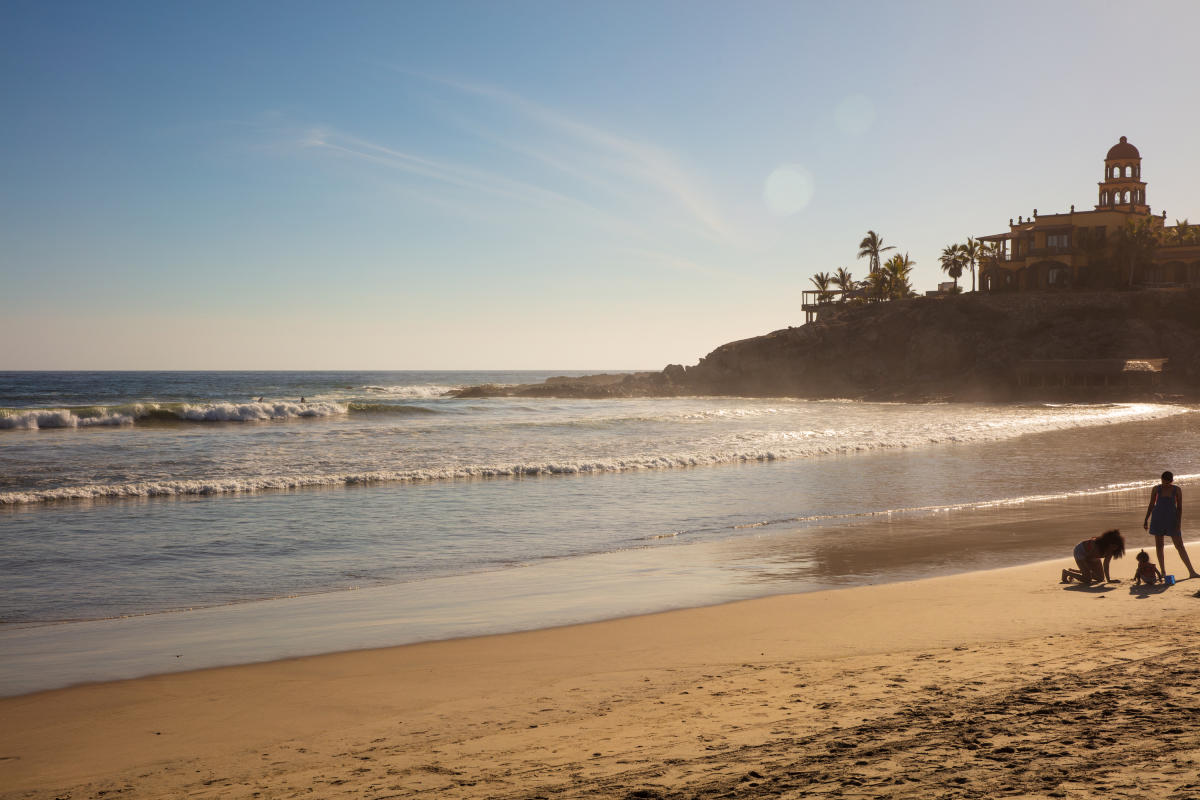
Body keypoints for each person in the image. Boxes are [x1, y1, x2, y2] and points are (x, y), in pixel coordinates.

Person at [1143, 471, 1199, 580]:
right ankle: (1163, 572)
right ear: (1161, 480)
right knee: (1160, 546)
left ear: (1172, 481)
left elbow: (1179, 508)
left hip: (1172, 520)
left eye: (1168, 483)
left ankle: (1191, 572)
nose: (1165, 485)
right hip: (1158, 519)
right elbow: (1151, 504)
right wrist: (1146, 520)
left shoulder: (1176, 490)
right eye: (1164, 482)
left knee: (1180, 546)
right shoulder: (1156, 489)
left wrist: (1178, 523)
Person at [1061, 529, 1125, 584]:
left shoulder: (1111, 550)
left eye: (1116, 546)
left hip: (1093, 557)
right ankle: (1066, 573)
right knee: (1087, 579)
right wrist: (1087, 571)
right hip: (1080, 552)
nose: (1114, 548)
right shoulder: (1097, 546)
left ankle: (1074, 572)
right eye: (1113, 545)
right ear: (1108, 543)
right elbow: (1088, 559)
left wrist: (1109, 580)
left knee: (1100, 578)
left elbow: (1106, 564)